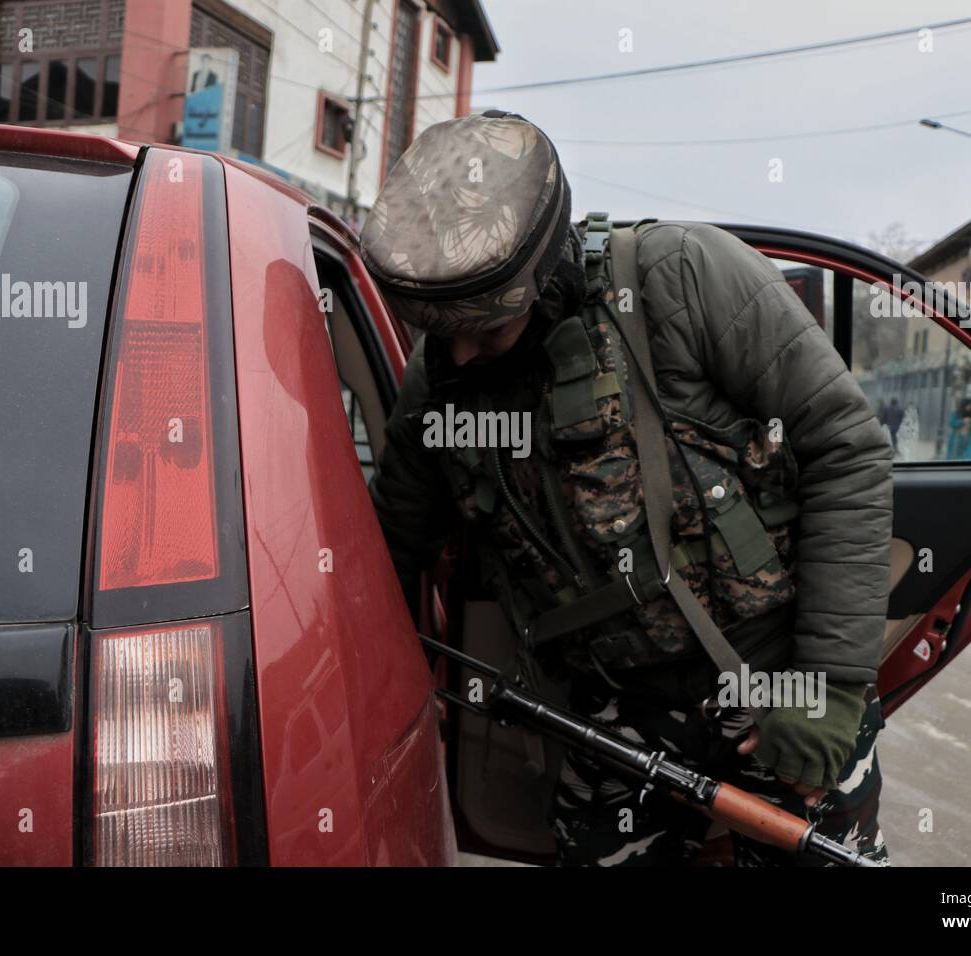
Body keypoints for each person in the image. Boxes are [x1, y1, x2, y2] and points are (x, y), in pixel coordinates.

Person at [362, 111, 893, 866]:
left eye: (483, 328)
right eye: (440, 331)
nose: (459, 350)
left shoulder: (682, 276)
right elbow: (393, 538)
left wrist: (832, 685)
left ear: (543, 274)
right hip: (615, 710)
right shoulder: (445, 372)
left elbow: (847, 447)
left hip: (777, 672)